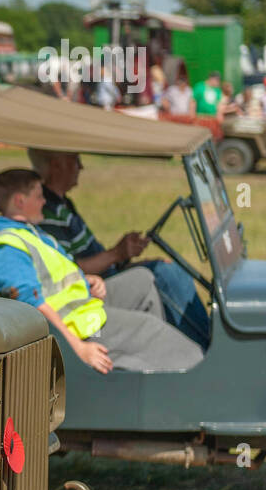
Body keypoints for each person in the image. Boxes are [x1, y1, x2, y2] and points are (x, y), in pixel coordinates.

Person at [0, 169, 204, 373]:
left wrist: (86, 281)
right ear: (20, 201)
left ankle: (147, 370)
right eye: (39, 196)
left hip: (81, 309)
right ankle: (195, 368)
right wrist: (79, 348)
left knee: (142, 280)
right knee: (153, 331)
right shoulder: (7, 248)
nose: (44, 201)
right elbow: (33, 308)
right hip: (77, 329)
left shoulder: (30, 234)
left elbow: (53, 279)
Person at [27, 148, 210, 349]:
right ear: (55, 165)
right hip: (93, 291)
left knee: (162, 268)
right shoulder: (46, 212)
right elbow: (69, 270)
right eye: (74, 160)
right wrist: (116, 253)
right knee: (164, 274)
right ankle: (205, 348)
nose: (81, 166)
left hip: (105, 279)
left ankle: (197, 344)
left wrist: (123, 257)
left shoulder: (62, 204)